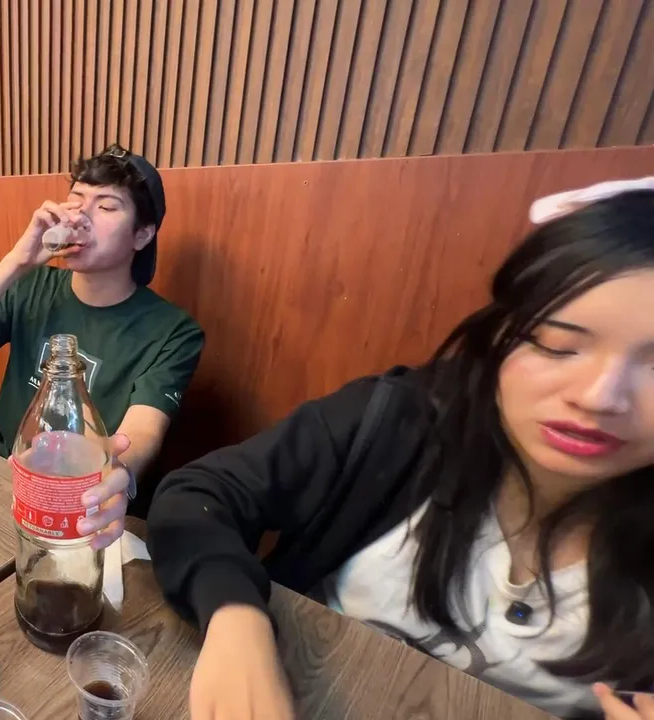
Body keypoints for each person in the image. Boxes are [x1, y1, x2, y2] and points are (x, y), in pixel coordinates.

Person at [148, 179, 654, 720]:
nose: (600, 397)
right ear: (499, 334)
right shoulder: (399, 419)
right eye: (558, 345)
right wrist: (235, 617)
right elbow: (199, 495)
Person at [0, 144, 204, 550]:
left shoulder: (174, 331)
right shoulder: (32, 286)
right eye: (75, 201)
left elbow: (144, 430)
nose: (80, 217)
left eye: (106, 206)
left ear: (142, 234)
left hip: (89, 505)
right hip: (11, 481)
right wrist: (17, 262)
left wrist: (115, 472)